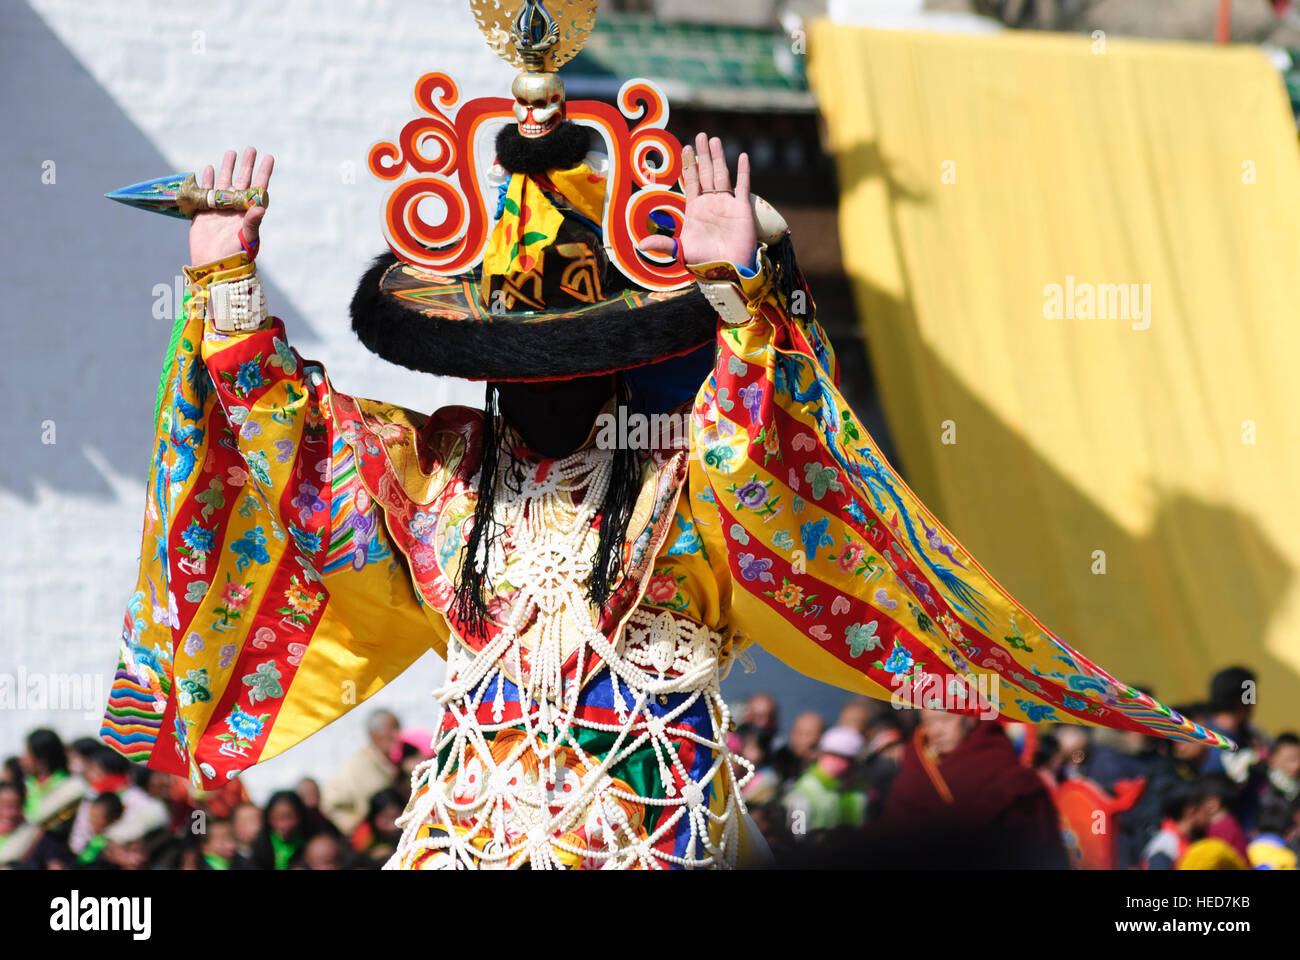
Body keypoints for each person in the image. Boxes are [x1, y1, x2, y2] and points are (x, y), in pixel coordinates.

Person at [99, 0, 1231, 869]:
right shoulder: (441, 472)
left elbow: (778, 441)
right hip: (467, 827)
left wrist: (745, 295)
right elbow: (300, 451)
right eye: (512, 367)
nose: (536, 390)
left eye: (564, 363)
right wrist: (227, 284)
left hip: (648, 818)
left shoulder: (679, 471)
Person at [866, 711, 1068, 869]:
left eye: (944, 720)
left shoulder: (1013, 780)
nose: (934, 731)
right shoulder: (915, 770)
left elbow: (1040, 849)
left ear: (970, 719)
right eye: (928, 722)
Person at [320, 710, 400, 835]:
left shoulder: (394, 761)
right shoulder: (358, 765)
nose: (396, 735)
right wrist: (356, 826)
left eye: (397, 728)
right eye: (391, 729)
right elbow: (330, 803)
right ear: (374, 735)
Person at [782, 726, 868, 834]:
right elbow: (796, 831)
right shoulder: (804, 788)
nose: (836, 761)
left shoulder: (860, 790)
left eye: (845, 758)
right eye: (831, 754)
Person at [1140, 781, 1203, 869]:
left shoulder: (1187, 838)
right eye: (1204, 808)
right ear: (1190, 810)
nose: (1208, 814)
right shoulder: (1165, 846)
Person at [250, 790, 317, 871]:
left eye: (289, 817)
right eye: (277, 818)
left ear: (300, 815)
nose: (283, 825)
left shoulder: (312, 840)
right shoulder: (261, 845)